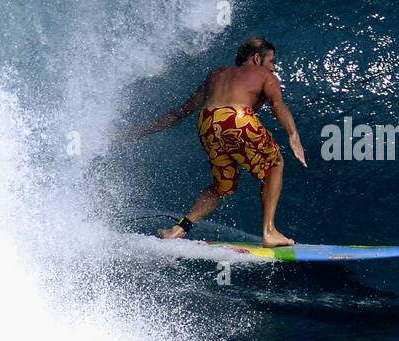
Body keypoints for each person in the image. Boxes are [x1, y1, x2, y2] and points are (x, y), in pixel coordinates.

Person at [113, 37, 306, 246]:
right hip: (237, 119)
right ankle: (269, 232)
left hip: (207, 122)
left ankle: (178, 229)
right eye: (271, 61)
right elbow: (277, 104)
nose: (273, 67)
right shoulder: (264, 76)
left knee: (222, 186)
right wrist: (293, 134)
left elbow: (181, 112)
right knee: (275, 163)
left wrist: (140, 131)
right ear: (257, 58)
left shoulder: (216, 75)